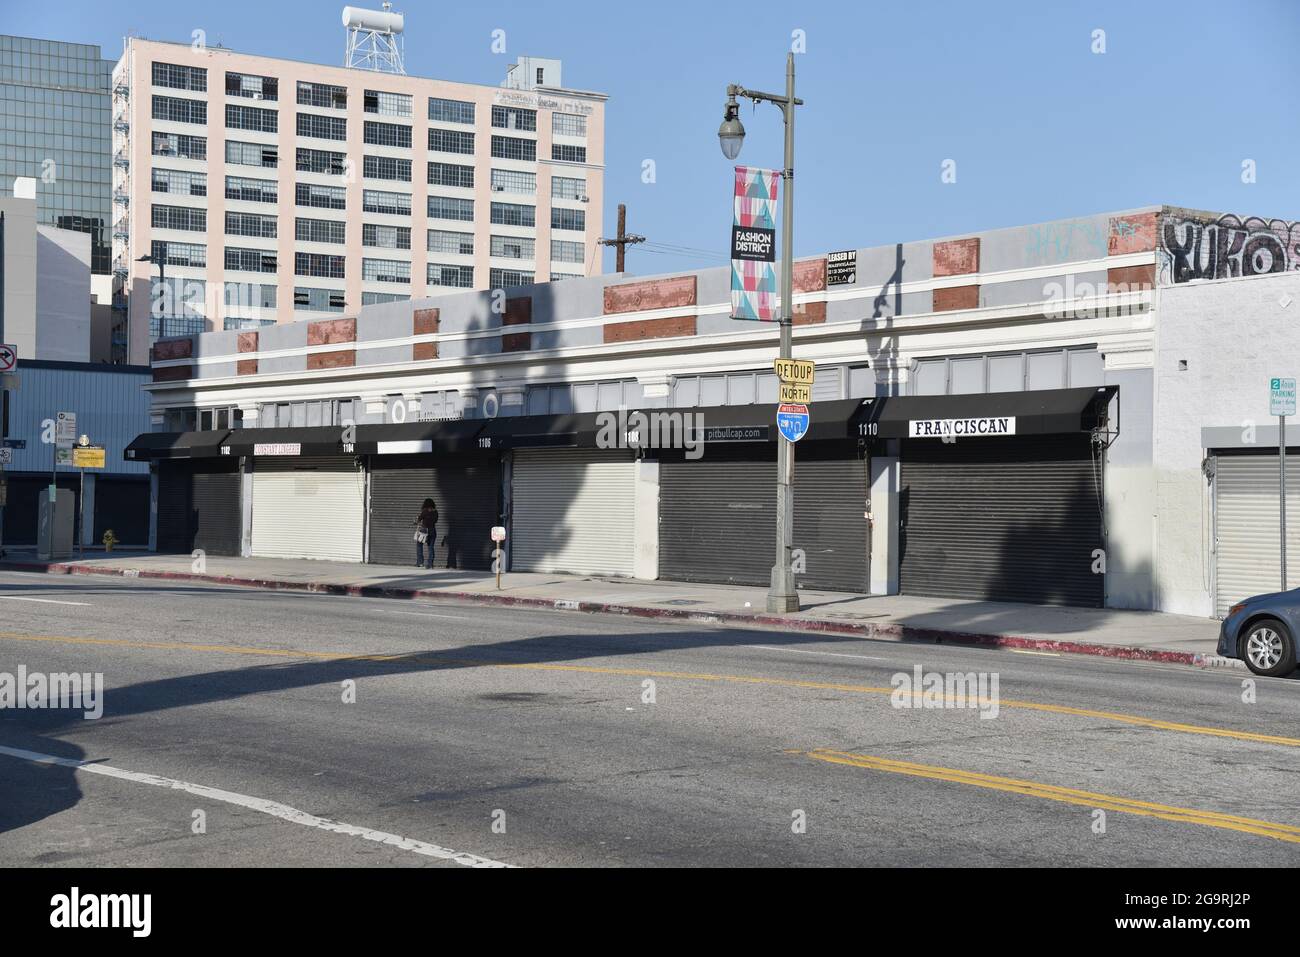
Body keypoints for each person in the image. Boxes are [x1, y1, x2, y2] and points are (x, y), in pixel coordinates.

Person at [414, 498, 438, 569]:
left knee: (419, 545)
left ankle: (420, 562)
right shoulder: (436, 512)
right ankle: (430, 564)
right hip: (433, 531)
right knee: (431, 547)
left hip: (424, 531)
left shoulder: (424, 511)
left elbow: (419, 519)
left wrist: (416, 520)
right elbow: (435, 521)